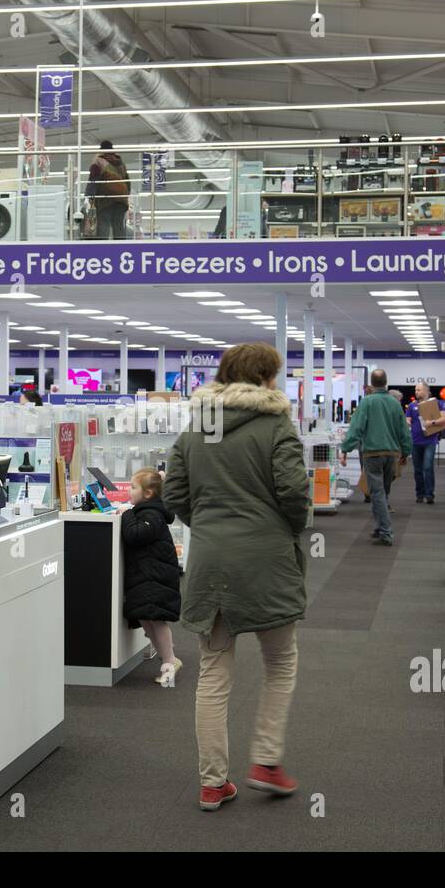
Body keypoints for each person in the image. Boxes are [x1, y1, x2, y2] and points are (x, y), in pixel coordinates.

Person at [162, 342, 308, 811]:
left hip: (210, 561)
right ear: (267, 379)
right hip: (266, 560)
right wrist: (285, 527)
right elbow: (293, 493)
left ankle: (212, 783)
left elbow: (175, 494)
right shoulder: (276, 426)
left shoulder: (194, 429)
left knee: (213, 671)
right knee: (280, 662)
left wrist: (206, 524)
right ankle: (266, 761)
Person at [121, 467, 182, 687]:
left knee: (156, 619)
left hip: (154, 578)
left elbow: (135, 534)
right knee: (147, 619)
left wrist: (127, 514)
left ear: (147, 494)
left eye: (133, 487)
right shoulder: (147, 512)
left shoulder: (151, 515)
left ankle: (169, 660)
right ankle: (168, 657)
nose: (129, 490)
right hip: (147, 577)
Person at [339, 369, 411, 546]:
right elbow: (403, 431)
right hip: (391, 455)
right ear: (386, 382)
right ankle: (380, 527)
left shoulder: (367, 402)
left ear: (371, 383)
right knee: (383, 492)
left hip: (372, 453)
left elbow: (356, 429)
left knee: (377, 492)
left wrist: (346, 449)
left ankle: (386, 532)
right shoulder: (395, 404)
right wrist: (406, 452)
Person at [405, 382, 445, 505]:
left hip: (430, 441)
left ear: (426, 391)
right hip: (415, 441)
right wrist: (406, 421)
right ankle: (420, 494)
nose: (416, 392)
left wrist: (432, 423)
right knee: (417, 470)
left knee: (428, 467)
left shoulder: (436, 403)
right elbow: (408, 420)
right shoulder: (411, 406)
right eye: (415, 390)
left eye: (418, 390)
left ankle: (429, 495)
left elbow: (444, 420)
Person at [85, 140, 130, 240]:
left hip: (105, 199)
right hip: (121, 200)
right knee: (119, 227)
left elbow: (93, 179)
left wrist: (89, 196)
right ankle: (121, 249)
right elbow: (128, 182)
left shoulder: (98, 160)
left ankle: (102, 251)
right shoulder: (120, 162)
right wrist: (126, 196)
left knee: (103, 226)